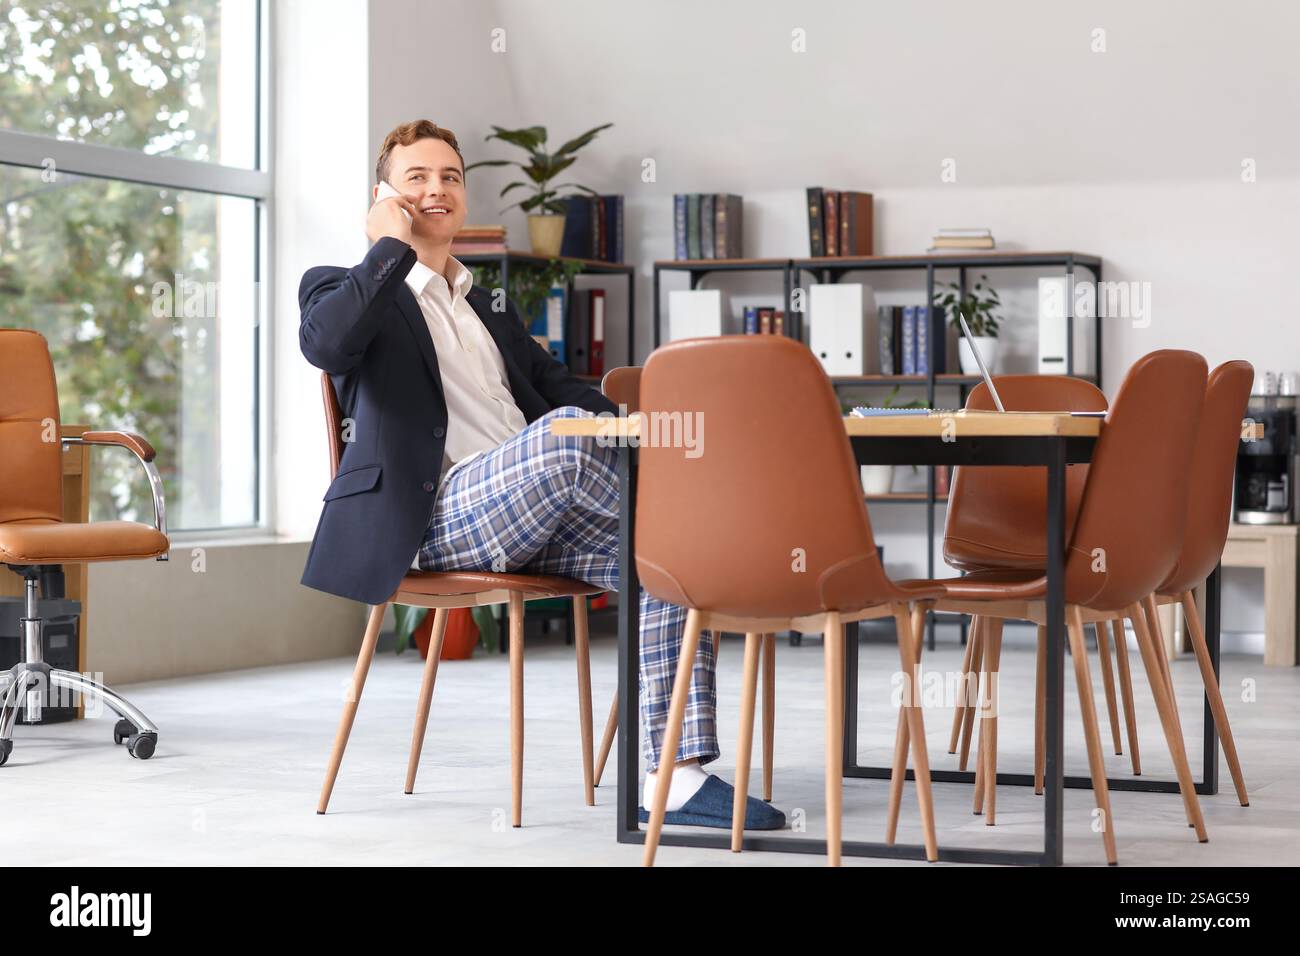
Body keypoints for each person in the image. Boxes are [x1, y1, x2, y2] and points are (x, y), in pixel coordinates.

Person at [298, 120, 783, 830]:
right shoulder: (344, 286)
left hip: (530, 507)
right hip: (429, 520)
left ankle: (676, 778)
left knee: (669, 560)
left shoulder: (485, 304)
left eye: (451, 177)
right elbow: (327, 344)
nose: (438, 189)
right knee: (564, 443)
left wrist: (644, 432)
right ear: (385, 198)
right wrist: (387, 247)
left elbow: (567, 390)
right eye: (417, 178)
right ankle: (730, 549)